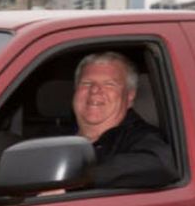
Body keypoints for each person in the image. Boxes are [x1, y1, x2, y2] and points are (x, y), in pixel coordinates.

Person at [71, 52, 175, 189]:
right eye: (87, 83)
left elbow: (161, 164)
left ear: (130, 96)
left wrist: (73, 179)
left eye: (109, 84)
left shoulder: (142, 137)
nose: (95, 90)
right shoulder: (51, 135)